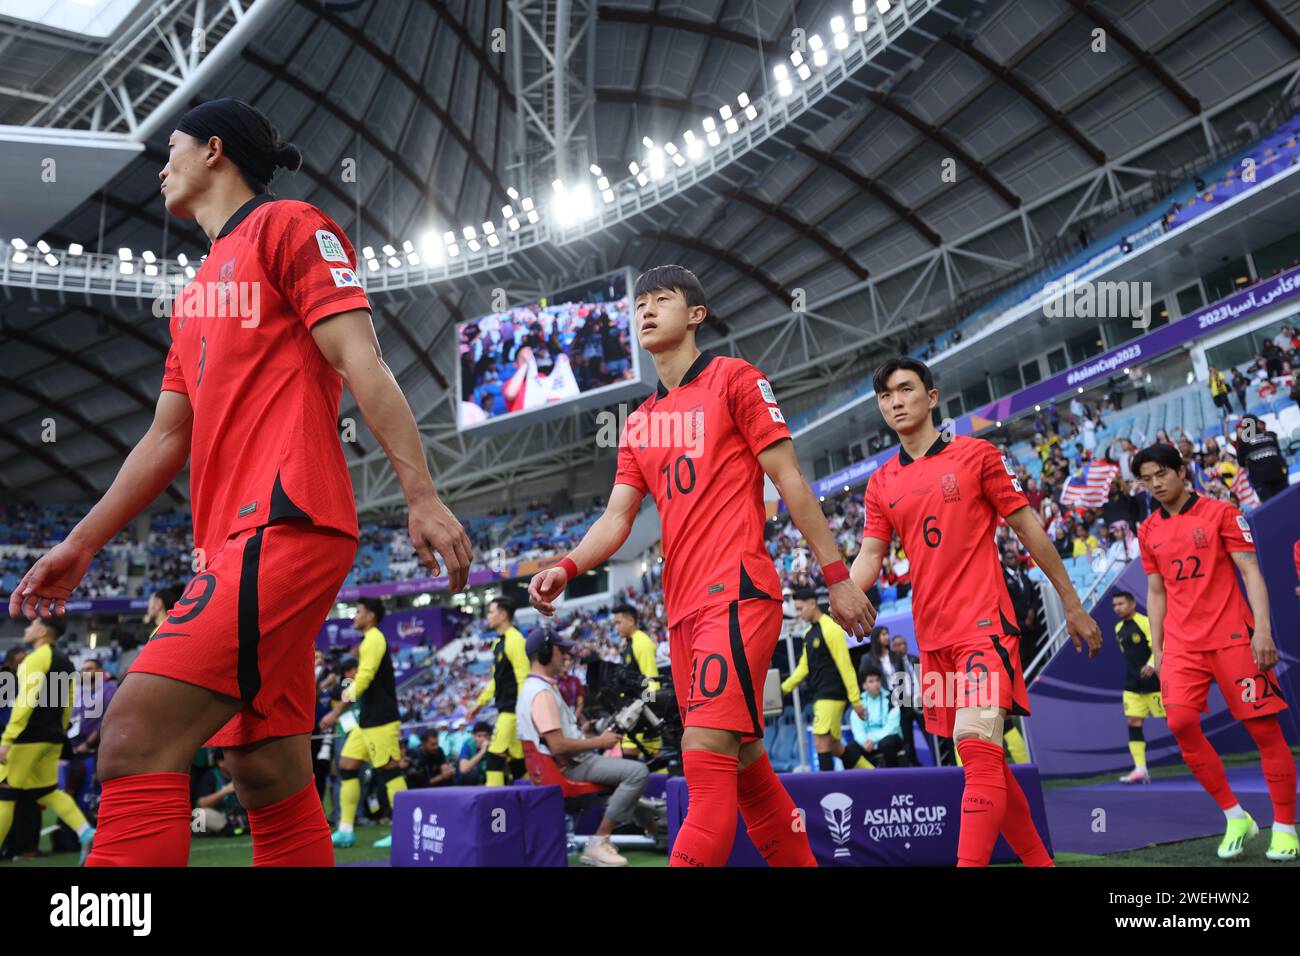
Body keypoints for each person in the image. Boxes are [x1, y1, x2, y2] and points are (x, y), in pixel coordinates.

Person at [5, 98, 472, 868]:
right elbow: (165, 438)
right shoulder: (192, 298)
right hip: (230, 546)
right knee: (264, 770)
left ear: (214, 149)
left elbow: (364, 362)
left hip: (284, 522)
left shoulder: (290, 226)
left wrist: (421, 494)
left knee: (130, 735)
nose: (160, 166)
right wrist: (79, 544)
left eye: (174, 147)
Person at [528, 264, 874, 868]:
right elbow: (616, 518)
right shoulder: (638, 423)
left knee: (704, 761)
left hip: (736, 594)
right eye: (640, 303)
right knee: (745, 771)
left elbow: (788, 478)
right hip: (683, 614)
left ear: (695, 315)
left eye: (662, 299)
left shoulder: (735, 379)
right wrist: (568, 564)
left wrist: (836, 576)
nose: (646, 310)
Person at [850, 356, 1102, 868]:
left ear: (932, 397)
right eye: (885, 397)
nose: (895, 402)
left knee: (975, 744)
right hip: (934, 638)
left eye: (904, 390)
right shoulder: (880, 484)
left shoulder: (977, 456)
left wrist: (1072, 603)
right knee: (983, 760)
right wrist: (844, 593)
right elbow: (871, 556)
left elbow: (1030, 529)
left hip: (986, 626)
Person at [1134, 443, 1295, 860]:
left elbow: (1251, 571)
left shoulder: (1221, 513)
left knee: (1263, 731)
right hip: (1183, 646)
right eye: (1147, 479)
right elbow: (1155, 593)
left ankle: (1284, 824)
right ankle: (1234, 814)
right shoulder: (1148, 529)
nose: (1156, 484)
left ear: (1180, 471)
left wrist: (1262, 631)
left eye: (1161, 474)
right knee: (1181, 724)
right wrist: (1159, 650)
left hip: (1234, 639)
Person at [516, 628, 656, 867]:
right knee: (637, 772)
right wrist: (599, 742)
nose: (566, 657)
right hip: (569, 767)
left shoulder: (535, 687)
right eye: (561, 651)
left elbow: (555, 738)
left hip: (563, 764)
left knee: (623, 777)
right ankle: (599, 841)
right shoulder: (541, 692)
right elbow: (558, 746)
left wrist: (587, 732)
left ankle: (657, 829)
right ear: (546, 653)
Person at [0, 615, 96, 862]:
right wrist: (59, 732)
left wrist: (8, 738)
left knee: (5, 793)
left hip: (27, 738)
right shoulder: (65, 661)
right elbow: (68, 702)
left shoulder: (35, 659)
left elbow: (25, 701)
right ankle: (86, 833)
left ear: (42, 631)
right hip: (52, 738)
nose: (27, 628)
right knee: (46, 791)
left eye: (32, 625)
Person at [325, 598, 405, 850]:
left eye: (358, 612)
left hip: (381, 719)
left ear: (370, 616)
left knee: (390, 771)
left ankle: (402, 829)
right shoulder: (368, 640)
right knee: (347, 766)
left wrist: (337, 710)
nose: (354, 617)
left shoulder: (373, 639)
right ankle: (346, 830)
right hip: (368, 720)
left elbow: (365, 677)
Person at [781, 586, 872, 771]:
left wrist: (855, 699)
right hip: (820, 695)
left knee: (820, 742)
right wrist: (781, 689)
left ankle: (827, 791)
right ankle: (874, 775)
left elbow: (845, 665)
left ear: (812, 604)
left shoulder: (830, 628)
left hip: (830, 695)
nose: (798, 614)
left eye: (800, 609)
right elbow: (802, 669)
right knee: (835, 747)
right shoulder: (808, 634)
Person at [468, 597, 529, 786]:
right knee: (517, 761)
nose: (488, 616)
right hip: (506, 709)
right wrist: (478, 705)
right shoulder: (498, 643)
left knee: (495, 755)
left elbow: (523, 677)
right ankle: (530, 802)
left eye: (491, 612)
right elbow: (496, 680)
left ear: (503, 615)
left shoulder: (515, 640)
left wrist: (523, 710)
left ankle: (491, 802)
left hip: (512, 710)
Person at [1110, 590, 1162, 785]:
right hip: (1132, 686)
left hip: (1156, 685)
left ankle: (1196, 757)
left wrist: (1151, 664)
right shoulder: (1118, 628)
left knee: (1177, 722)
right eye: (1115, 605)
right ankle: (1141, 769)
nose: (1117, 608)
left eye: (1121, 604)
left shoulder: (1146, 622)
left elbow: (1159, 645)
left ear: (1132, 604)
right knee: (1133, 722)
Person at [64, 658, 118, 818]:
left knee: (88, 795)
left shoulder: (109, 690)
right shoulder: (80, 691)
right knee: (71, 792)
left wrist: (88, 743)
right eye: (83, 669)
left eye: (90, 669)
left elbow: (105, 720)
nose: (85, 672)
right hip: (75, 749)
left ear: (100, 671)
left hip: (93, 751)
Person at [612, 603, 661, 759]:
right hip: (633, 708)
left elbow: (651, 680)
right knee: (633, 754)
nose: (616, 627)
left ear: (631, 621)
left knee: (650, 756)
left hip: (642, 711)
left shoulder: (642, 643)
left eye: (618, 623)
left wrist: (650, 714)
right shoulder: (629, 642)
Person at [848, 667, 903, 767]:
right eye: (871, 681)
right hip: (867, 742)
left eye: (877, 680)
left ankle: (892, 779)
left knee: (887, 744)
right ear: (864, 685)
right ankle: (863, 778)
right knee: (850, 749)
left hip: (888, 737)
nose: (876, 684)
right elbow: (857, 728)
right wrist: (864, 742)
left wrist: (873, 739)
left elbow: (892, 727)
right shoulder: (858, 704)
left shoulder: (891, 699)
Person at [192, 748, 247, 837]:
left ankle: (231, 829)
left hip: (240, 815)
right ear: (220, 762)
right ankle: (227, 830)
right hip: (221, 817)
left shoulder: (241, 774)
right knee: (199, 813)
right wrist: (224, 791)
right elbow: (202, 803)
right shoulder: (212, 776)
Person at [1234, 415, 1289, 502]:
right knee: (1288, 503)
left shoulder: (1243, 442)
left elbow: (1241, 463)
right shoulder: (1271, 436)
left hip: (1261, 482)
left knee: (1271, 510)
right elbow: (1278, 454)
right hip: (1279, 475)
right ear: (1256, 423)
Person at [456, 721, 492, 785]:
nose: (483, 739)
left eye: (486, 736)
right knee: (472, 775)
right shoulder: (468, 745)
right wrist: (482, 752)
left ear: (490, 736)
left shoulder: (493, 746)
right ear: (474, 736)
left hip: (485, 779)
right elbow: (463, 769)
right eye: (479, 736)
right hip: (467, 783)